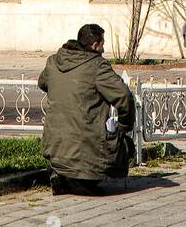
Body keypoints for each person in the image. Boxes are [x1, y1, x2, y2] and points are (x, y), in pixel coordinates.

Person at [38, 23, 136, 196]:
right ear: (95, 45)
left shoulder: (54, 61)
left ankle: (61, 175)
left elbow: (43, 82)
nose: (104, 49)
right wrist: (124, 125)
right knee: (125, 145)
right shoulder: (97, 66)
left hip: (54, 143)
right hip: (87, 145)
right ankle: (85, 180)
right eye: (102, 44)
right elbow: (124, 97)